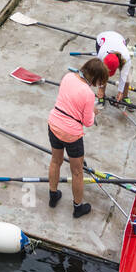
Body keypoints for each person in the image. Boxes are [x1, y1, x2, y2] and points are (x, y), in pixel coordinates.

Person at [47, 58, 109, 218]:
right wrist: (94, 111)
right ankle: (78, 207)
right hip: (71, 135)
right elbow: (88, 122)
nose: (97, 85)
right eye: (99, 81)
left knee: (55, 161)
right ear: (94, 76)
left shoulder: (68, 77)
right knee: (77, 172)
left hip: (53, 123)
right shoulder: (88, 93)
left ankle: (53, 196)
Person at [94, 29, 132, 105]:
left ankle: (124, 96)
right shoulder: (101, 55)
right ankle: (102, 94)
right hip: (102, 38)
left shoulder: (126, 57)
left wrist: (120, 91)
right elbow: (99, 73)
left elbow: (123, 76)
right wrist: (101, 86)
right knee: (102, 74)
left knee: (127, 74)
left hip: (118, 38)